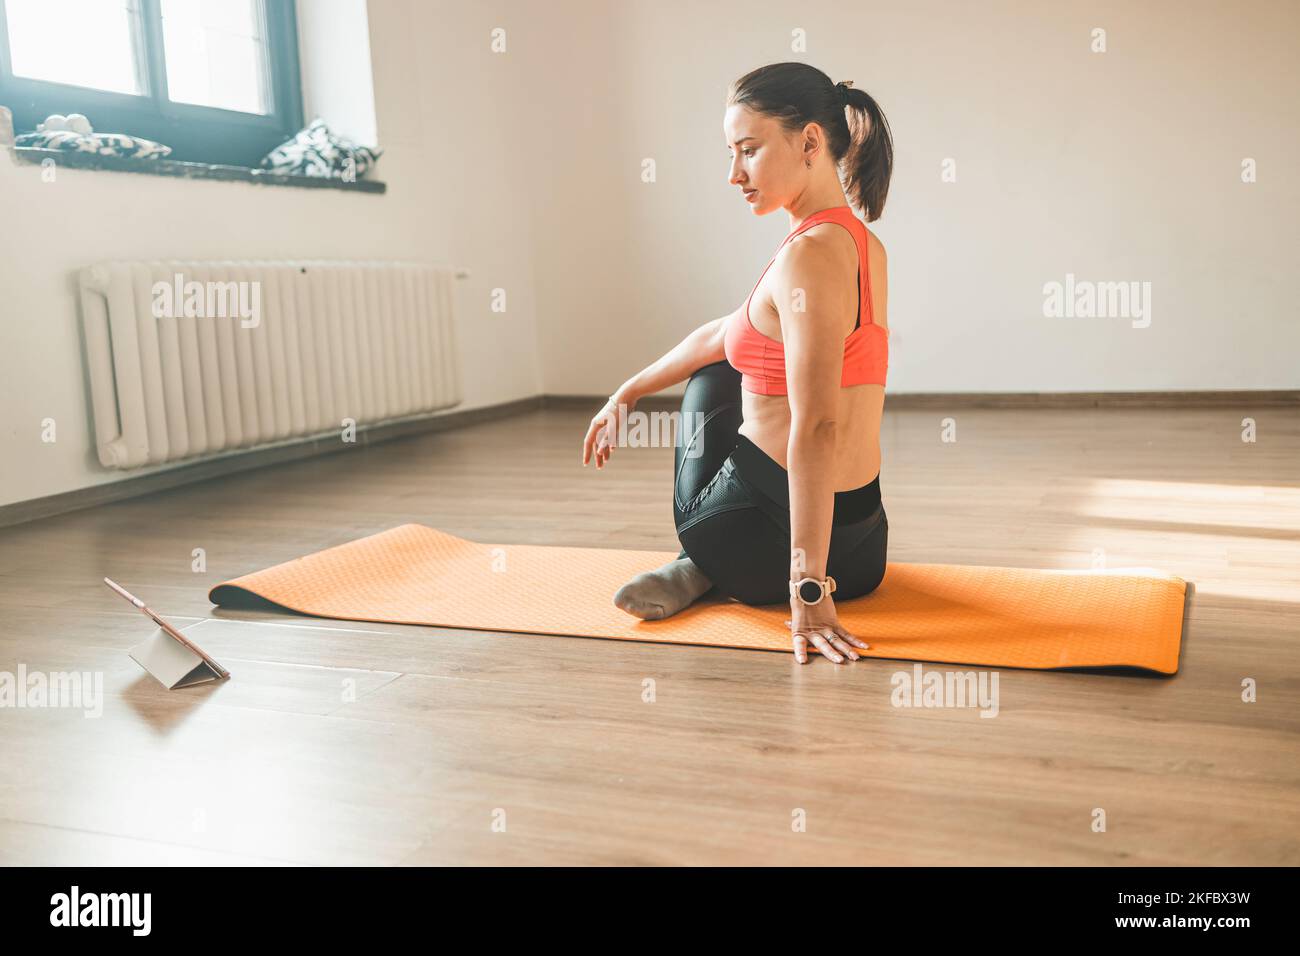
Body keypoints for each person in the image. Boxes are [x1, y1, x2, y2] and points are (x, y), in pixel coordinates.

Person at [581, 62, 894, 665]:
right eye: (732, 154)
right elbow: (726, 329)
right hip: (862, 551)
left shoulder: (806, 257)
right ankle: (709, 570)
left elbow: (818, 425)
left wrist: (808, 589)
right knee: (737, 343)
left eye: (749, 151)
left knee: (718, 371)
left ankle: (699, 564)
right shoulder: (863, 245)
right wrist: (628, 392)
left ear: (810, 142)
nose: (734, 174)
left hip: (758, 544)